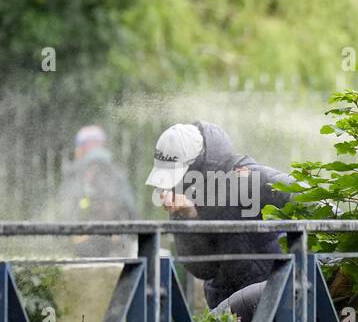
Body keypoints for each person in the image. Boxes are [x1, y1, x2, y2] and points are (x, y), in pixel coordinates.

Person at [145, 121, 295, 309]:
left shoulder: (245, 176)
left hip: (274, 295)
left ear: (196, 164)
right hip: (227, 306)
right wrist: (189, 217)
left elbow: (302, 196)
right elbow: (203, 269)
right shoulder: (181, 201)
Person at [55, 125, 137, 255]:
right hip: (116, 242)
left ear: (82, 148)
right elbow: (130, 208)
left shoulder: (76, 173)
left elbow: (64, 209)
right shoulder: (116, 172)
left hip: (83, 243)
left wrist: (69, 236)